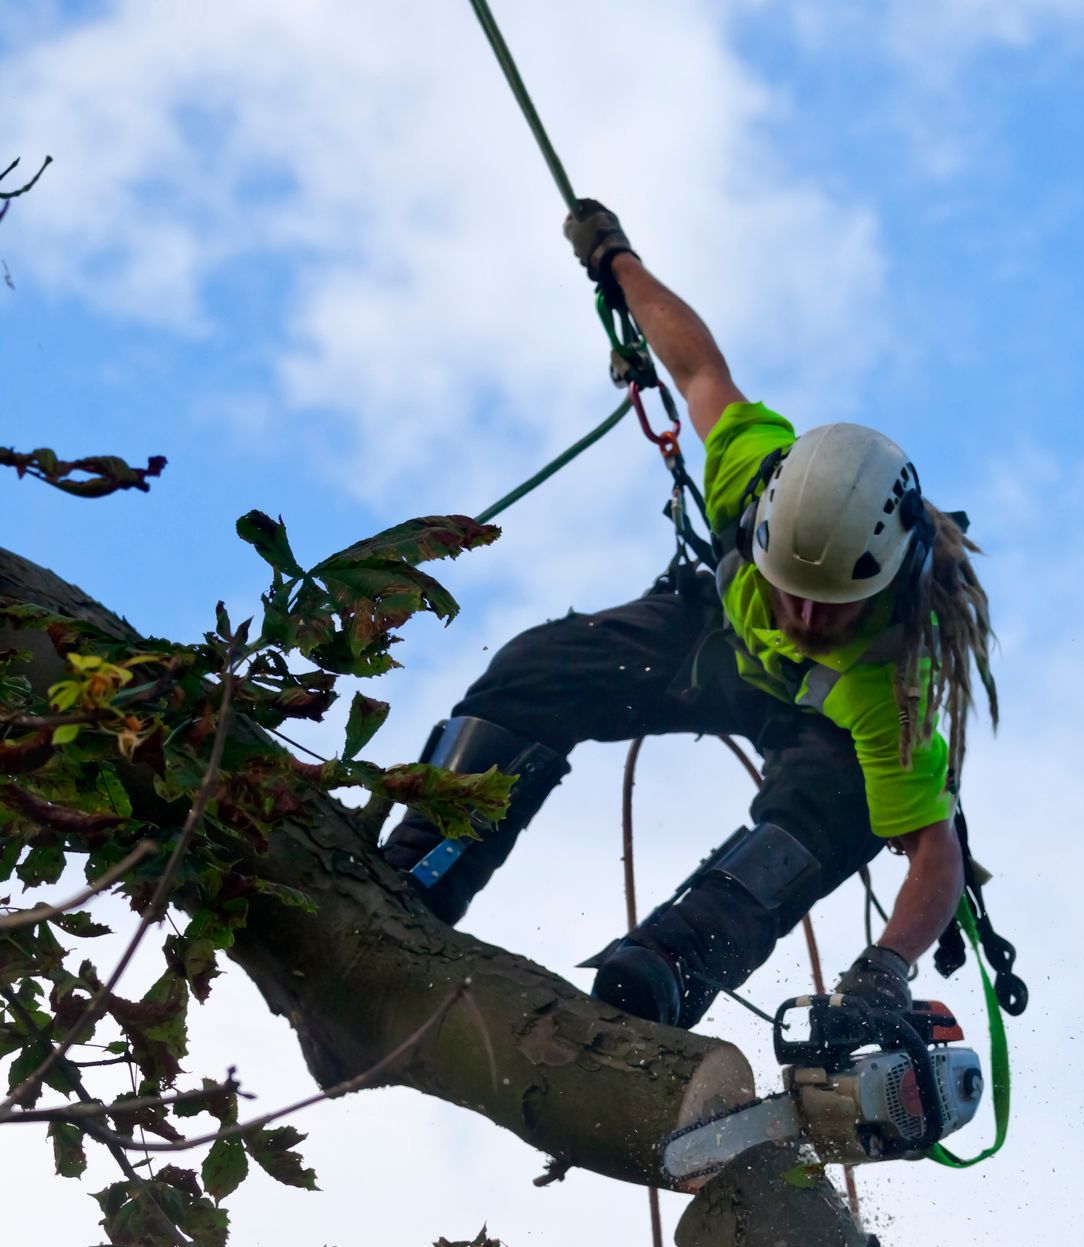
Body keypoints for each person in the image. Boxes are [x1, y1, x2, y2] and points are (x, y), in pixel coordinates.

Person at [384, 199, 998, 1031]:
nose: (809, 617)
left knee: (838, 806)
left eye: (834, 605)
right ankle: (423, 869)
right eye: (792, 589)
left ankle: (673, 963)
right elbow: (698, 369)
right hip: (708, 638)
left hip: (824, 729)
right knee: (535, 672)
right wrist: (617, 262)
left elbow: (935, 851)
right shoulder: (750, 475)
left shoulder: (892, 683)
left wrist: (884, 970)